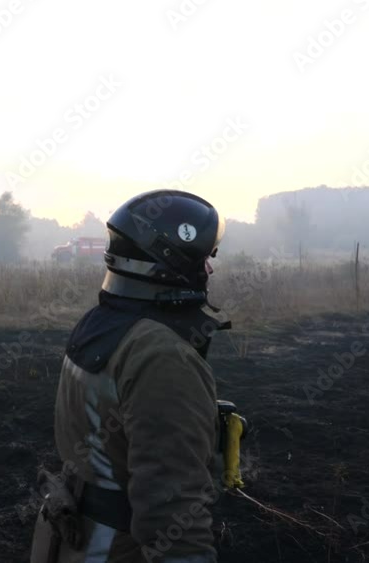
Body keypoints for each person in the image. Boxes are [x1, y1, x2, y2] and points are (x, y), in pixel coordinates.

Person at [30, 189, 230, 563]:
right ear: (170, 265)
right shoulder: (161, 355)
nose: (209, 269)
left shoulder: (99, 323)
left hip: (73, 541)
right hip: (115, 550)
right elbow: (172, 512)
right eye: (203, 259)